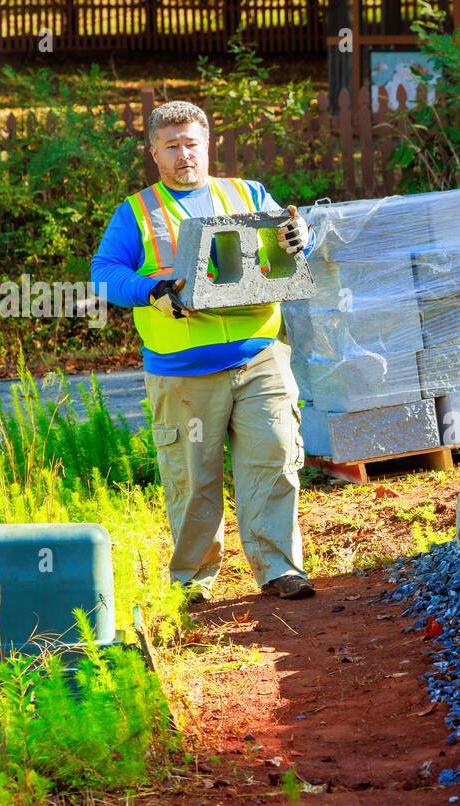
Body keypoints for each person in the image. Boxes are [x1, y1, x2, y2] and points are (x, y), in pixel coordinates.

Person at [91, 100, 315, 602]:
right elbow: (104, 273)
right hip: (185, 372)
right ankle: (193, 584)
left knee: (275, 459)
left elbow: (291, 237)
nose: (183, 155)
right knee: (192, 482)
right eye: (171, 146)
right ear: (154, 153)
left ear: (207, 144)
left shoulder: (246, 193)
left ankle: (279, 569)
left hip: (260, 357)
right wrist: (150, 291)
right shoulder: (136, 213)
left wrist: (302, 235)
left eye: (191, 143)